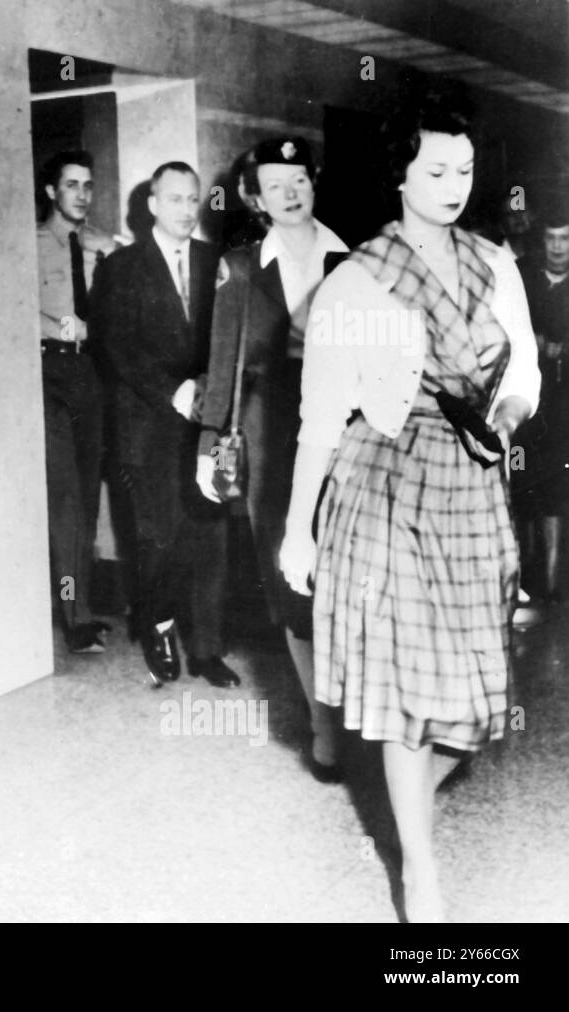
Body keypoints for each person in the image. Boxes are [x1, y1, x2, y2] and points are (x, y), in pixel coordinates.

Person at [278, 90, 539, 922]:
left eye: (465, 168)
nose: (454, 183)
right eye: (436, 169)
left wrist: (502, 416)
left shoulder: (495, 265)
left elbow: (521, 379)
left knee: (469, 706)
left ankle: (402, 817)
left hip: (470, 490)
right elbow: (320, 419)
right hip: (387, 487)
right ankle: (419, 870)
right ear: (400, 175)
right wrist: (296, 529)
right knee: (404, 698)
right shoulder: (354, 281)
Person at [196, 138, 349, 780]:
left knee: (344, 569)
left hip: (345, 427)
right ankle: (324, 728)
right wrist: (209, 447)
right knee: (291, 575)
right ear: (256, 200)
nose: (292, 191)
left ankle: (356, 712)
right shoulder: (238, 265)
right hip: (270, 425)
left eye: (300, 178)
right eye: (275, 184)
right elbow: (223, 361)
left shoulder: (355, 258)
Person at [91, 162, 237, 688]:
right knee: (161, 539)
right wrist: (171, 390)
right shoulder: (121, 267)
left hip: (207, 423)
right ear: (152, 204)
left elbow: (227, 339)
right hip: (149, 425)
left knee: (211, 536)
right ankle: (157, 622)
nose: (185, 209)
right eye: (174, 199)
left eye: (193, 199)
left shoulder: (215, 262)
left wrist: (210, 393)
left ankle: (208, 650)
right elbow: (115, 347)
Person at [35, 150, 122, 654]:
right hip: (49, 372)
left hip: (92, 372)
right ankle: (76, 618)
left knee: (88, 497)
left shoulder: (101, 243)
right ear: (52, 191)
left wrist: (109, 250)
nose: (82, 195)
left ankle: (80, 606)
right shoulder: (30, 244)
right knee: (66, 496)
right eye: (71, 185)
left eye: (88, 185)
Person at [511, 203, 569, 603]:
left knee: (554, 483)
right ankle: (525, 568)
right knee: (520, 474)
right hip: (524, 400)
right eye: (551, 238)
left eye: (565, 239)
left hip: (563, 404)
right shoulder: (526, 277)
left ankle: (550, 577)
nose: (558, 247)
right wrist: (535, 341)